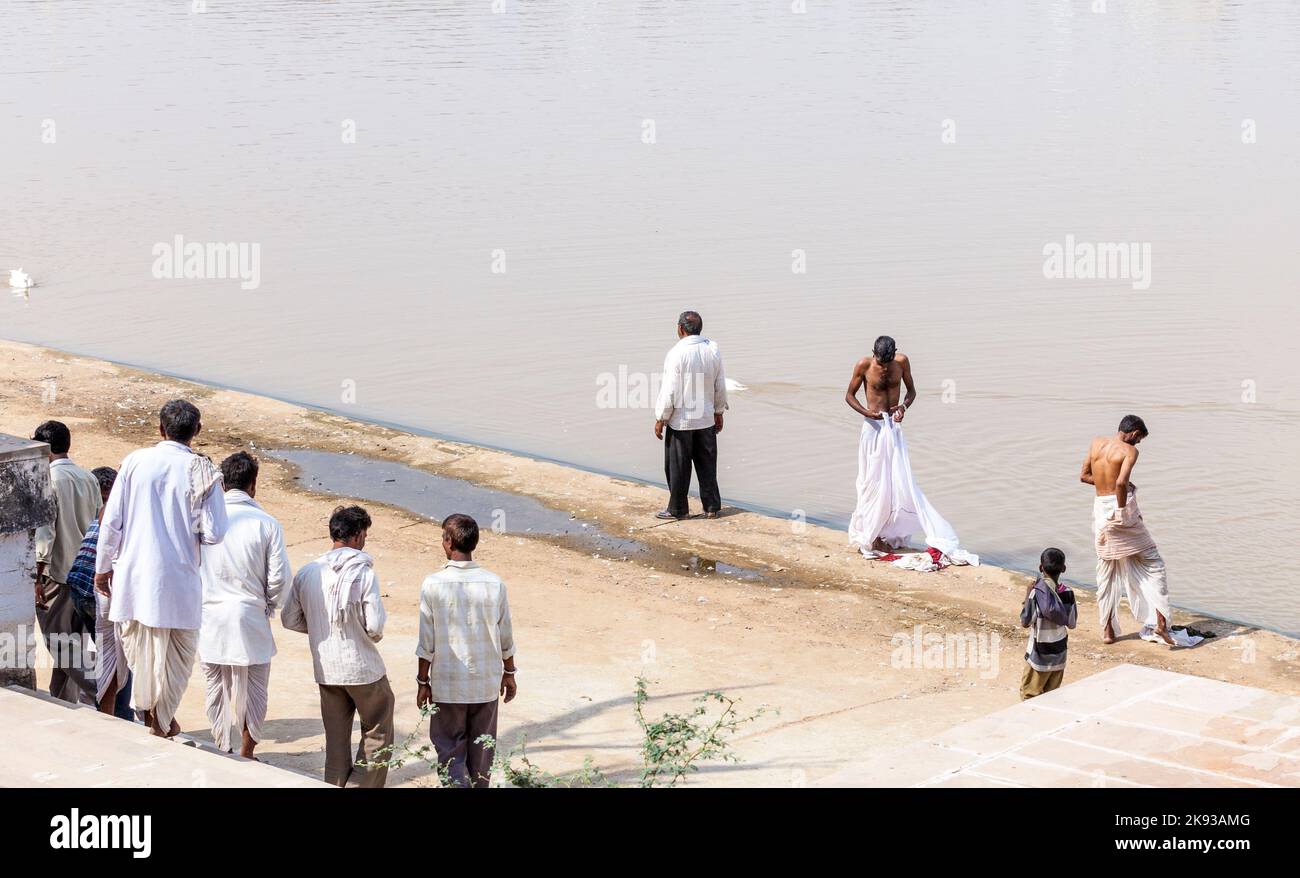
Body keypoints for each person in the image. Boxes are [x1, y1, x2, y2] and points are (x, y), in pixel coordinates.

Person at [94, 400, 228, 737]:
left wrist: (102, 567)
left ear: (160, 428)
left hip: (134, 579)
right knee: (176, 660)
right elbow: (215, 533)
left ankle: (157, 717)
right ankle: (162, 718)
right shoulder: (203, 471)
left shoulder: (135, 462)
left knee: (141, 653)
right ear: (197, 431)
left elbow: (112, 522)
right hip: (179, 583)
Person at [281, 505, 394, 788]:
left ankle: (334, 785)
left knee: (336, 740)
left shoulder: (308, 571)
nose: (365, 540)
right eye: (365, 534)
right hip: (362, 669)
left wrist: (322, 627)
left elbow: (290, 619)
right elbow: (375, 627)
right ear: (356, 535)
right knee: (378, 732)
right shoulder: (363, 571)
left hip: (327, 669)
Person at [844, 336, 974, 562]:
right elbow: (849, 396)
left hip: (893, 428)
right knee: (871, 483)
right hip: (873, 429)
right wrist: (867, 413)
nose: (883, 367)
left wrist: (903, 407)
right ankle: (871, 535)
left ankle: (886, 532)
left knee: (897, 482)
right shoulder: (863, 365)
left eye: (887, 362)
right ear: (873, 354)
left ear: (894, 354)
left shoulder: (902, 362)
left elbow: (912, 392)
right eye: (880, 362)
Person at [198, 452, 291, 758]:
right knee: (254, 688)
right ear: (253, 484)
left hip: (210, 613)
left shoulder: (205, 519)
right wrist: (268, 605)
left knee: (215, 685)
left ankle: (221, 744)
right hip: (250, 614)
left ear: (223, 483)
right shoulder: (267, 523)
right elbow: (279, 579)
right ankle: (247, 751)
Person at [415, 514, 517, 788]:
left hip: (448, 686)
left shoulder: (433, 584)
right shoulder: (494, 583)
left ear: (448, 543)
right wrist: (509, 672)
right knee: (482, 752)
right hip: (485, 683)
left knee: (450, 749)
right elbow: (505, 635)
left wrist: (422, 682)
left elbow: (427, 641)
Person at [1080, 415, 1174, 646]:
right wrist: (1122, 509)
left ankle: (1108, 631)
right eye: (1140, 438)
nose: (1139, 443)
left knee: (1107, 571)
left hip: (1101, 510)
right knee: (1153, 563)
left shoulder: (1096, 442)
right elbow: (1121, 483)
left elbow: (1084, 476)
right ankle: (1161, 624)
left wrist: (1107, 485)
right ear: (1133, 433)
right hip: (1120, 509)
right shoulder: (1130, 452)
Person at [32, 420, 103, 705]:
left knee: (60, 645)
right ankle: (63, 701)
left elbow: (45, 532)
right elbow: (100, 523)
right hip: (85, 573)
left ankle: (102, 688)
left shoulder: (48, 478)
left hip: (57, 575)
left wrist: (38, 577)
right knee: (72, 643)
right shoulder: (88, 478)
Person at [64, 466, 135, 718]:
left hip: (77, 585)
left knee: (105, 653)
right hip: (96, 589)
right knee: (120, 657)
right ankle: (119, 715)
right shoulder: (128, 513)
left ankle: (107, 707)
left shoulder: (106, 513)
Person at [653, 310, 728, 520]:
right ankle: (711, 507)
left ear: (680, 329)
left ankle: (678, 509)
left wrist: (661, 417)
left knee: (677, 466)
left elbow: (670, 390)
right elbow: (719, 384)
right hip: (705, 418)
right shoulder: (712, 349)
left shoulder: (676, 353)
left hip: (681, 421)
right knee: (707, 464)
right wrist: (719, 411)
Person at [1019, 548, 1077, 700]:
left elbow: (1025, 621)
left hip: (1039, 654)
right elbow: (1071, 623)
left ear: (1040, 567)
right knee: (1051, 698)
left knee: (1029, 695)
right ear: (1063, 569)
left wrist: (1027, 594)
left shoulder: (1036, 592)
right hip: (1059, 653)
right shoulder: (1068, 593)